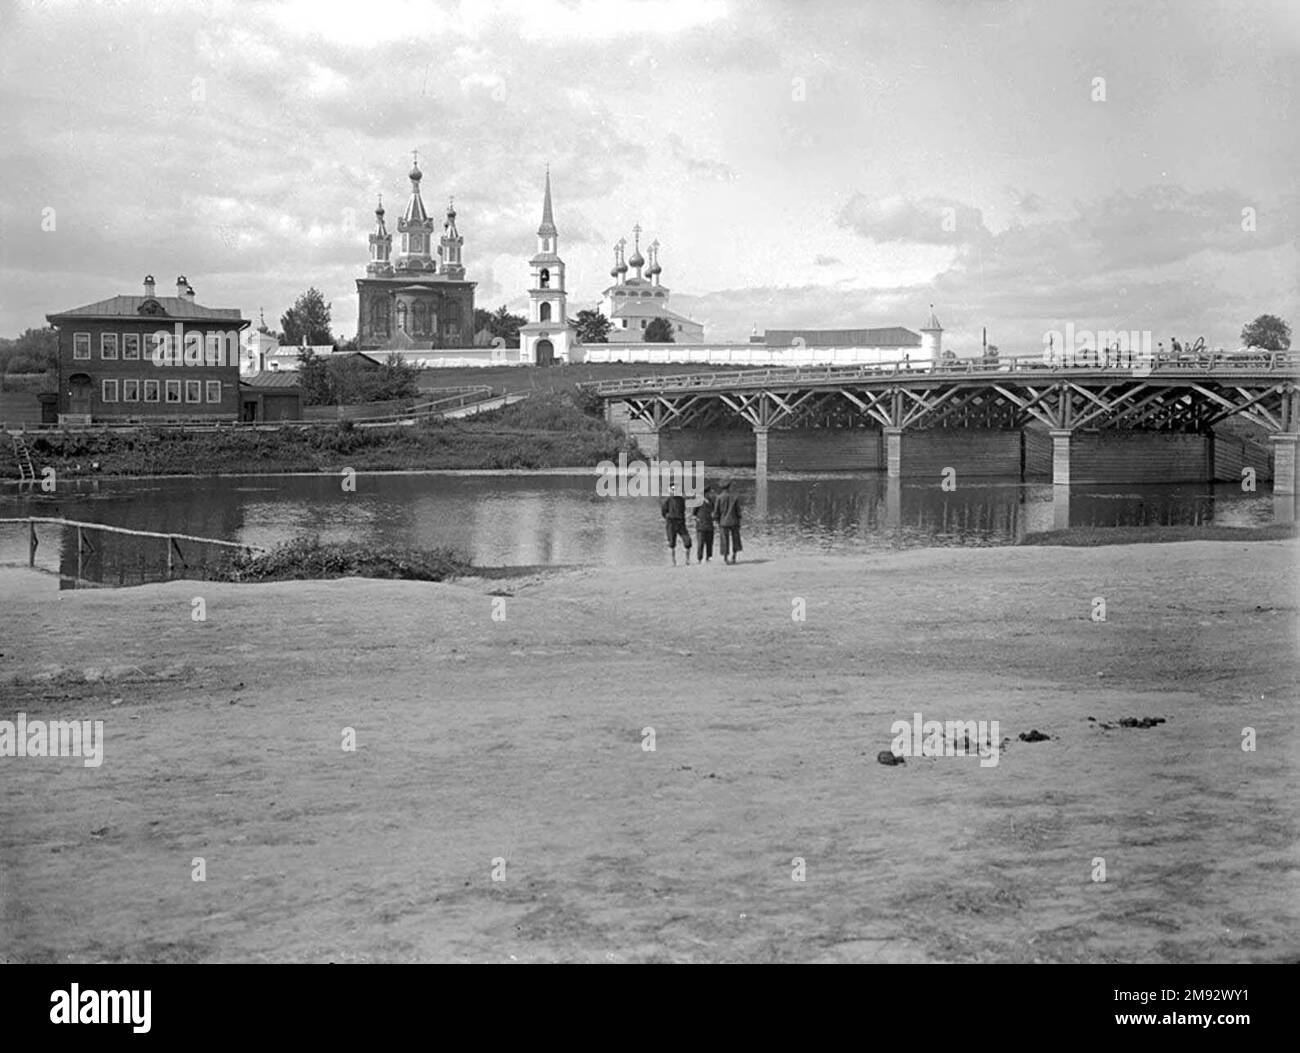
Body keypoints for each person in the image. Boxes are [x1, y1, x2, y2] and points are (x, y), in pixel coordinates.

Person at [660, 483, 691, 565]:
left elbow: (683, 510)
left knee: (687, 541)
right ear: (670, 491)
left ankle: (687, 560)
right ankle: (673, 561)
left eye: (675, 489)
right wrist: (669, 517)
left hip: (681, 523)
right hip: (671, 523)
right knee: (672, 543)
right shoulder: (666, 501)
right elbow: (663, 513)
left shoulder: (681, 500)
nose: (674, 491)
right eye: (672, 490)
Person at [713, 479, 743, 564]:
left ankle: (726, 558)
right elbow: (738, 511)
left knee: (724, 540)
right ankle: (734, 556)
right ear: (729, 487)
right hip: (734, 521)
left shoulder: (719, 498)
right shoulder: (735, 497)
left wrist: (716, 521)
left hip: (723, 522)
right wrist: (739, 520)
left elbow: (716, 512)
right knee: (736, 539)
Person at [692, 486, 717, 563]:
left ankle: (709, 558)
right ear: (706, 493)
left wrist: (714, 520)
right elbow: (694, 514)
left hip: (710, 525)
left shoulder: (712, 502)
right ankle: (699, 559)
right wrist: (697, 520)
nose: (711, 494)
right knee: (700, 543)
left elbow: (714, 512)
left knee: (710, 543)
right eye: (710, 493)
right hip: (701, 526)